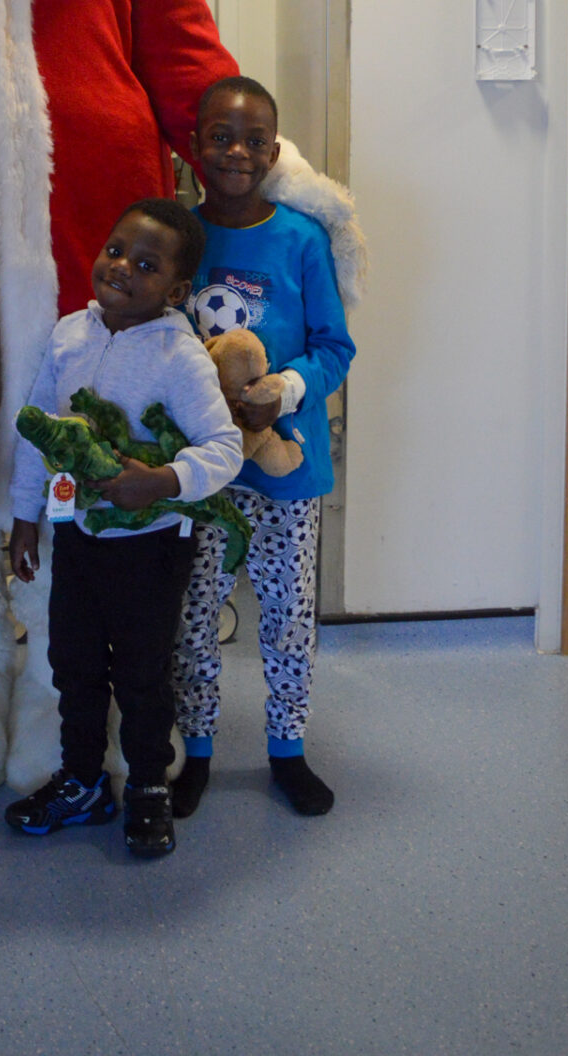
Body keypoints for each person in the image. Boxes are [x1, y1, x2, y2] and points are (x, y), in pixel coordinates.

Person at [6, 199, 242, 858]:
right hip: (76, 539)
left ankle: (146, 786)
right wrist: (25, 517)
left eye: (145, 265)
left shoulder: (181, 355)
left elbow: (224, 449)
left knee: (141, 678)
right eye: (115, 250)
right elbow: (37, 432)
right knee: (72, 667)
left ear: (174, 289)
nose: (120, 269)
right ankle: (82, 782)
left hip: (150, 553)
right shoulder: (67, 335)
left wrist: (162, 482)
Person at [171, 75, 356, 820]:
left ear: (272, 152)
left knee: (286, 616)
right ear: (194, 148)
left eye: (252, 140)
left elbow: (334, 347)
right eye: (220, 136)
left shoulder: (303, 241)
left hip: (288, 464)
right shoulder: (178, 235)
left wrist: (285, 387)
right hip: (202, 468)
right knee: (194, 612)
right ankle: (199, 750)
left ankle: (286, 749)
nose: (235, 152)